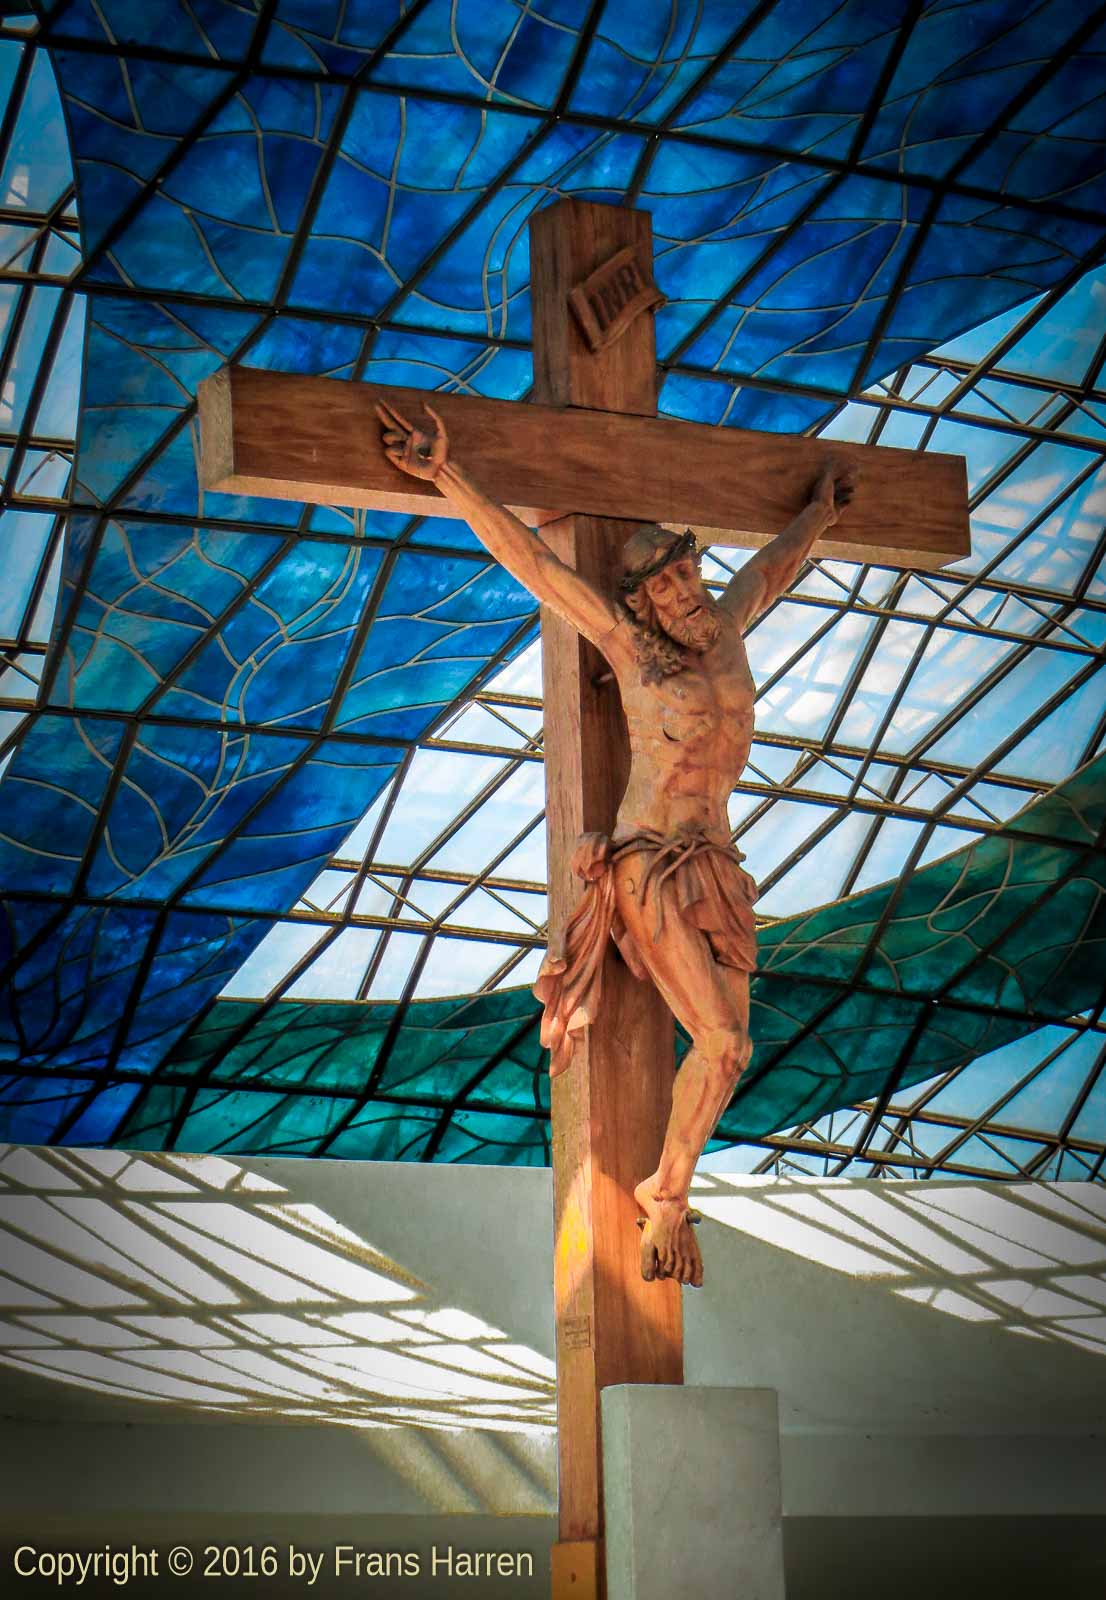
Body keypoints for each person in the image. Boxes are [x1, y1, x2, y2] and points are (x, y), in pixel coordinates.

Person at [378, 399, 855, 1286]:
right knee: (718, 1041)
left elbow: (777, 569)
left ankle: (667, 1190)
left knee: (731, 1050)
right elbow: (538, 565)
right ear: (642, 602)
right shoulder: (633, 654)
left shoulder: (729, 633)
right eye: (664, 589)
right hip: (648, 864)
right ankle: (665, 1199)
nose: (684, 596)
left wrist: (819, 513)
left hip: (717, 866)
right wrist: (447, 475)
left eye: (688, 577)